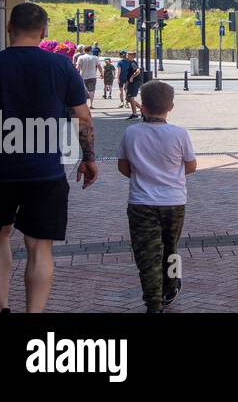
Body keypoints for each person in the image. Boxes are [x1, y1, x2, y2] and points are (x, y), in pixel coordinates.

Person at [0, 3, 98, 313]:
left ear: (9, 27)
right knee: (39, 246)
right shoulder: (61, 66)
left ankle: (1, 306)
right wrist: (88, 158)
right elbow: (83, 118)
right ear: (43, 31)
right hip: (45, 171)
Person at [118, 80, 196, 313]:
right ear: (170, 107)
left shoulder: (131, 133)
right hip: (174, 202)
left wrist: (142, 174)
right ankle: (171, 286)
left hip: (141, 202)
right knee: (171, 247)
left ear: (142, 107)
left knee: (147, 255)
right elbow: (191, 166)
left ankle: (153, 302)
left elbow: (123, 167)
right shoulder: (179, 134)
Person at [75, 44, 101, 109]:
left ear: (84, 50)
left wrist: (75, 75)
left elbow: (77, 68)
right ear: (91, 50)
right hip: (92, 76)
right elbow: (99, 67)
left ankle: (85, 104)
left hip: (83, 76)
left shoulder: (81, 58)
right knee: (91, 91)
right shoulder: (95, 57)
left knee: (83, 91)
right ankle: (91, 104)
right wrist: (102, 73)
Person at [119, 51, 141, 117]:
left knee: (131, 98)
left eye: (128, 55)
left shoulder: (133, 63)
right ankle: (142, 109)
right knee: (128, 99)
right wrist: (127, 84)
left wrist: (132, 77)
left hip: (134, 82)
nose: (126, 55)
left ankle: (135, 114)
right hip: (131, 83)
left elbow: (138, 71)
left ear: (132, 56)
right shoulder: (130, 62)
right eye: (127, 54)